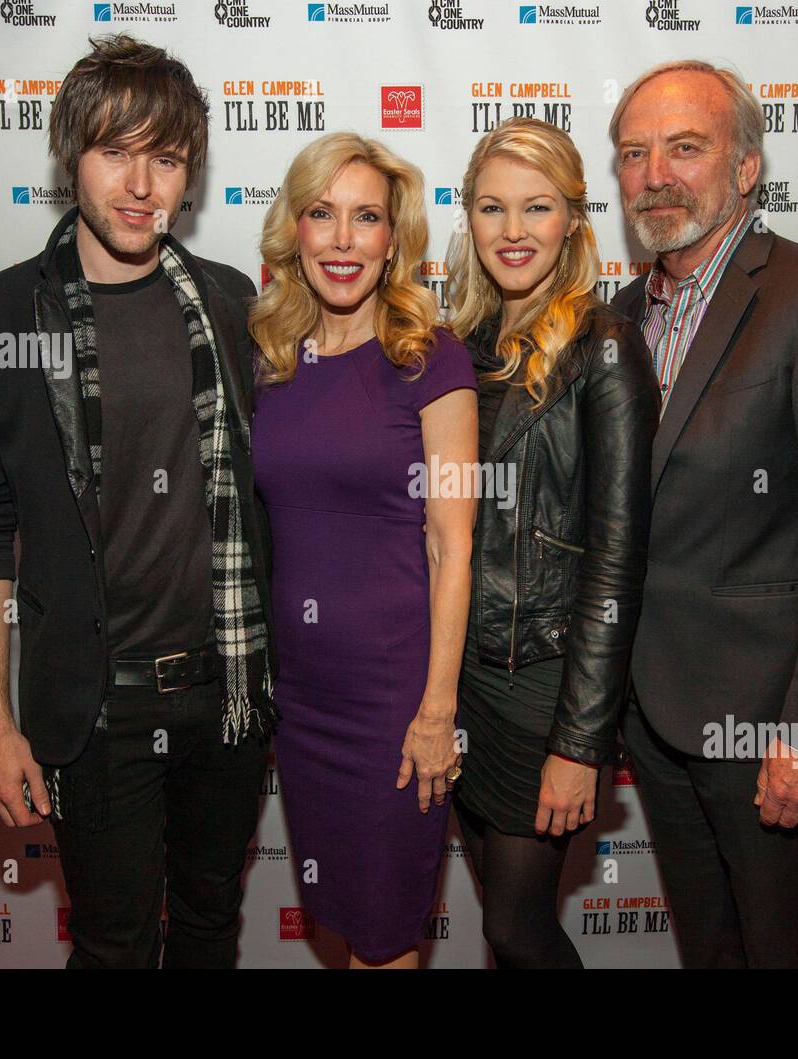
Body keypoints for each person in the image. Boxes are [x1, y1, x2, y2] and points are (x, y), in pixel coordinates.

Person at [0, 34, 276, 968]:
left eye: (164, 158)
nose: (139, 184)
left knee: (209, 931)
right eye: (114, 151)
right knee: (113, 946)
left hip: (227, 696)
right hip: (93, 711)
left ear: (188, 173)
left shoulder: (233, 303)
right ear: (69, 156)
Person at [608, 60, 798, 968]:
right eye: (634, 153)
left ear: (745, 169)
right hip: (649, 713)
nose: (655, 172)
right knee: (711, 949)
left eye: (685, 147)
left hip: (768, 723)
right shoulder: (621, 315)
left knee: (791, 950)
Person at [248, 132, 478, 969]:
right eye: (322, 214)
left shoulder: (429, 357)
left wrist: (435, 713)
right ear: (295, 230)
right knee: (341, 924)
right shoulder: (272, 360)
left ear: (393, 237)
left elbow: (453, 546)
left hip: (394, 702)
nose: (343, 240)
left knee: (385, 941)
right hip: (303, 700)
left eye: (366, 218)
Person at [445, 117, 659, 968]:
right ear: (470, 218)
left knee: (514, 928)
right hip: (459, 679)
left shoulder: (602, 346)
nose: (513, 231)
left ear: (572, 219)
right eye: (492, 208)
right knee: (503, 921)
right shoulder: (459, 348)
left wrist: (579, 742)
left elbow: (617, 557)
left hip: (541, 684)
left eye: (537, 207)